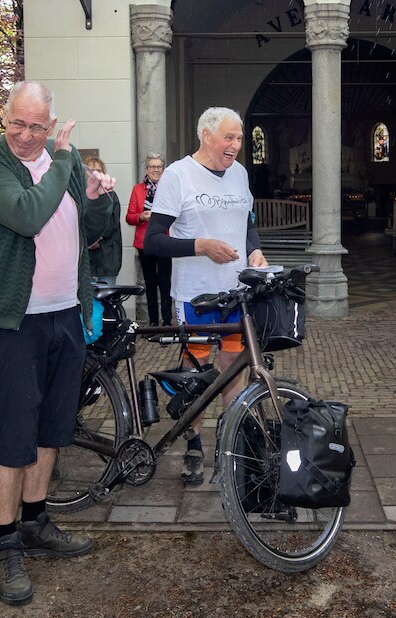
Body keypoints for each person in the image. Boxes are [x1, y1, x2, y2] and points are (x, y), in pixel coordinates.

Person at [0, 81, 116, 606]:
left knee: (52, 428)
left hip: (64, 314)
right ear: (3, 117)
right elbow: (29, 215)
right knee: (12, 436)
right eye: (17, 124)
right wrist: (62, 160)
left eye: (36, 127)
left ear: (49, 125)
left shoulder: (62, 162)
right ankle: (4, 542)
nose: (25, 136)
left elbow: (89, 230)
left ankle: (36, 523)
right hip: (13, 320)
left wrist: (96, 197)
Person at [143, 106, 266, 486]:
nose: (235, 145)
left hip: (236, 292)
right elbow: (154, 241)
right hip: (195, 295)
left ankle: (230, 444)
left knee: (233, 368)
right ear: (206, 136)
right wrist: (200, 246)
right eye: (228, 137)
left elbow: (247, 223)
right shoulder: (179, 175)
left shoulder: (240, 173)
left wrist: (255, 250)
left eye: (239, 138)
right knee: (195, 374)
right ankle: (193, 444)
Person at [126, 153, 173, 325]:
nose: (155, 170)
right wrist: (141, 216)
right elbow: (129, 217)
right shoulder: (137, 190)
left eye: (159, 167)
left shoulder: (169, 188)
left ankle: (167, 321)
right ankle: (153, 322)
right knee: (150, 283)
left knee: (165, 283)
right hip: (144, 242)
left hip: (165, 241)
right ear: (146, 169)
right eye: (152, 166)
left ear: (163, 169)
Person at [81, 156, 123, 284]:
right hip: (84, 261)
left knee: (106, 302)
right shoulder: (78, 194)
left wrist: (95, 238)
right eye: (91, 169)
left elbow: (112, 225)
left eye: (98, 170)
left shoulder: (111, 196)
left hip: (106, 259)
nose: (94, 173)